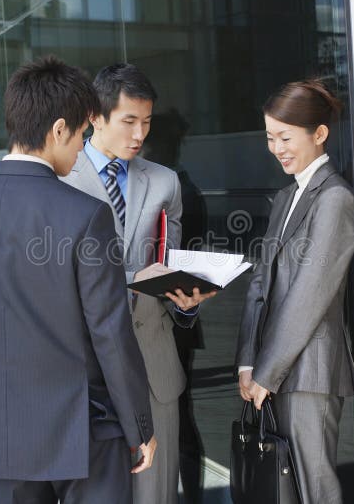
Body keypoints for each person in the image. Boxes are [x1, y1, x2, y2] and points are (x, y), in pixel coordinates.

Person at [0, 55, 156, 504]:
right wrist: (140, 428)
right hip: (85, 429)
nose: (81, 147)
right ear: (59, 130)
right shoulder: (87, 215)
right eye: (83, 135)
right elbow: (110, 333)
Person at [60, 63, 216, 504]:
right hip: (87, 369)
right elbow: (62, 274)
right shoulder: (59, 177)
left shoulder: (165, 182)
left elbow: (168, 267)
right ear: (95, 115)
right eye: (129, 121)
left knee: (157, 496)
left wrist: (186, 301)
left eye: (146, 123)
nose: (139, 134)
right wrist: (133, 279)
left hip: (154, 363)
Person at [235, 79, 354, 504]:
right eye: (270, 137)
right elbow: (261, 285)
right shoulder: (288, 195)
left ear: (319, 134)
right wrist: (247, 363)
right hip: (275, 370)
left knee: (315, 489)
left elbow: (311, 294)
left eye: (285, 137)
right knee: (283, 489)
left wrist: (266, 372)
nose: (276, 148)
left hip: (310, 374)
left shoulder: (334, 198)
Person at [141, 109, 207, 503]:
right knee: (181, 416)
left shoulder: (178, 191)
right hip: (173, 315)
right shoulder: (184, 186)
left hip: (173, 318)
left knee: (180, 418)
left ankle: (193, 495)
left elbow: (185, 260)